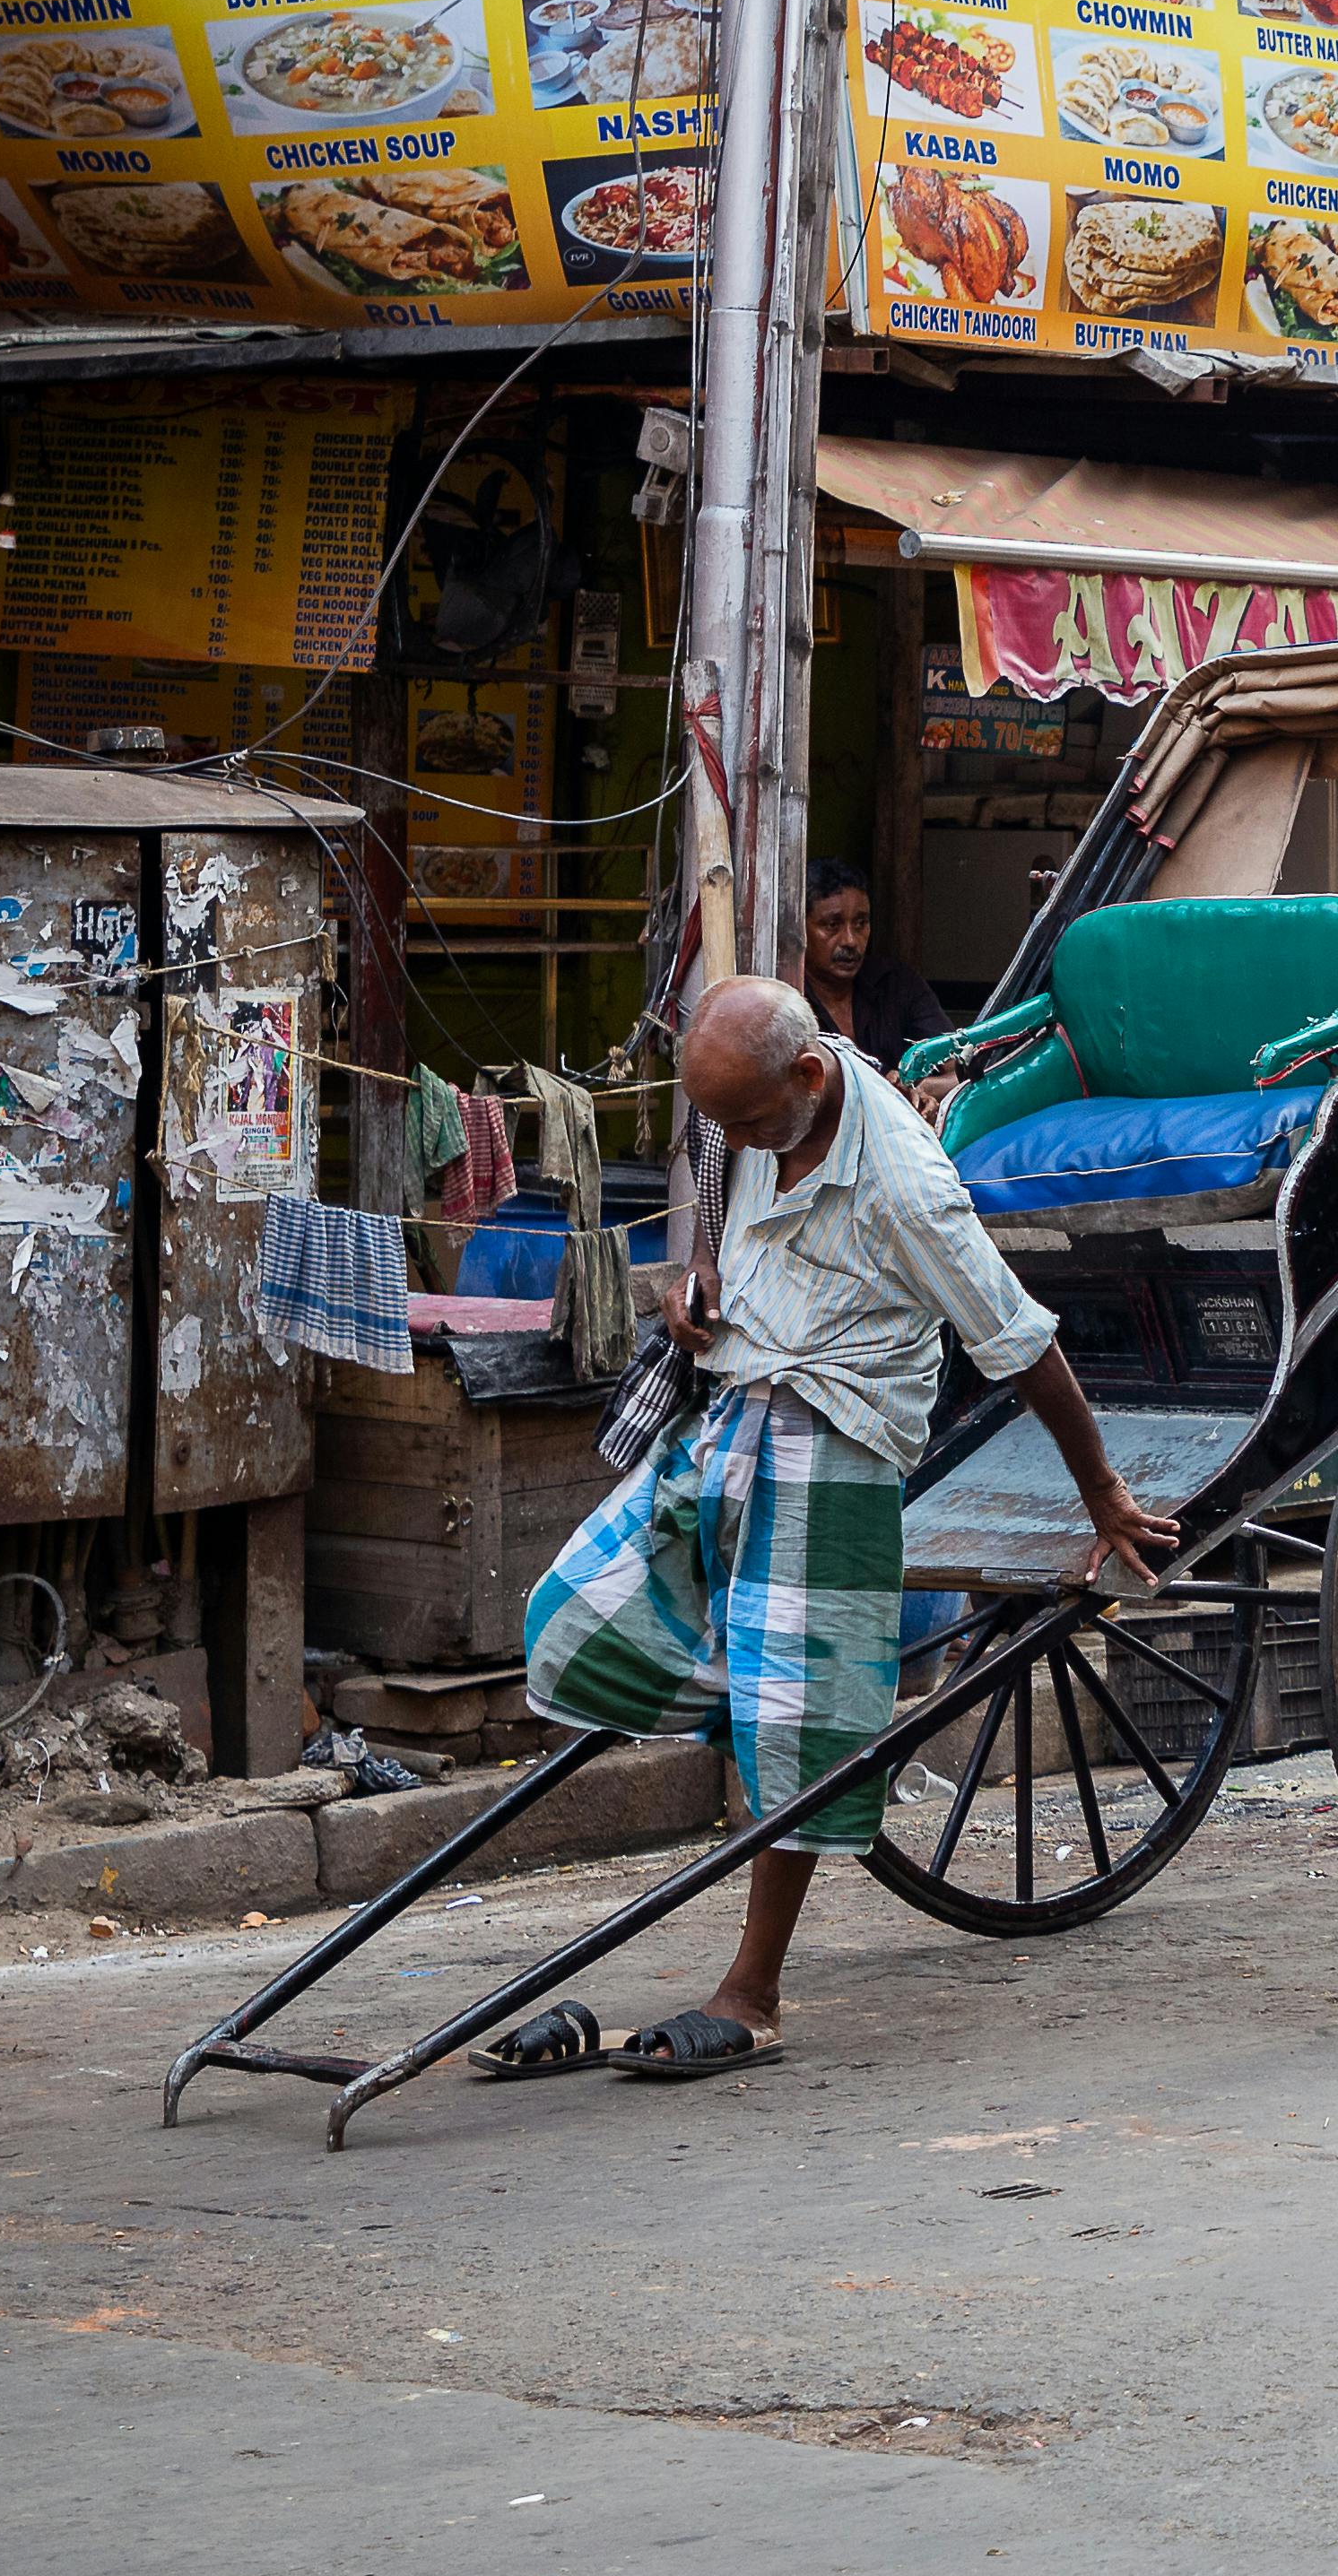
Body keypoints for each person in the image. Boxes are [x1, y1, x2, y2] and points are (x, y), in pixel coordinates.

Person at [493, 976, 1174, 2079]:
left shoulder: (905, 1186)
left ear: (809, 1078)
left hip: (836, 1443)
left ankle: (752, 1991)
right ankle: (778, 1715)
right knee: (572, 1623)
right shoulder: (751, 1110)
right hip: (729, 1413)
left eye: (751, 1121)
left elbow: (1018, 1342)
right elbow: (713, 1165)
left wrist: (1101, 1493)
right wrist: (696, 1269)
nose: (734, 1141)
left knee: (799, 1727)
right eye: (721, 1122)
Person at [803, 856, 960, 1067]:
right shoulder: (788, 996)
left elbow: (957, 1067)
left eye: (860, 924)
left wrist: (910, 1084)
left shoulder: (896, 983)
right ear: (801, 928)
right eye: (832, 925)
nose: (850, 941)